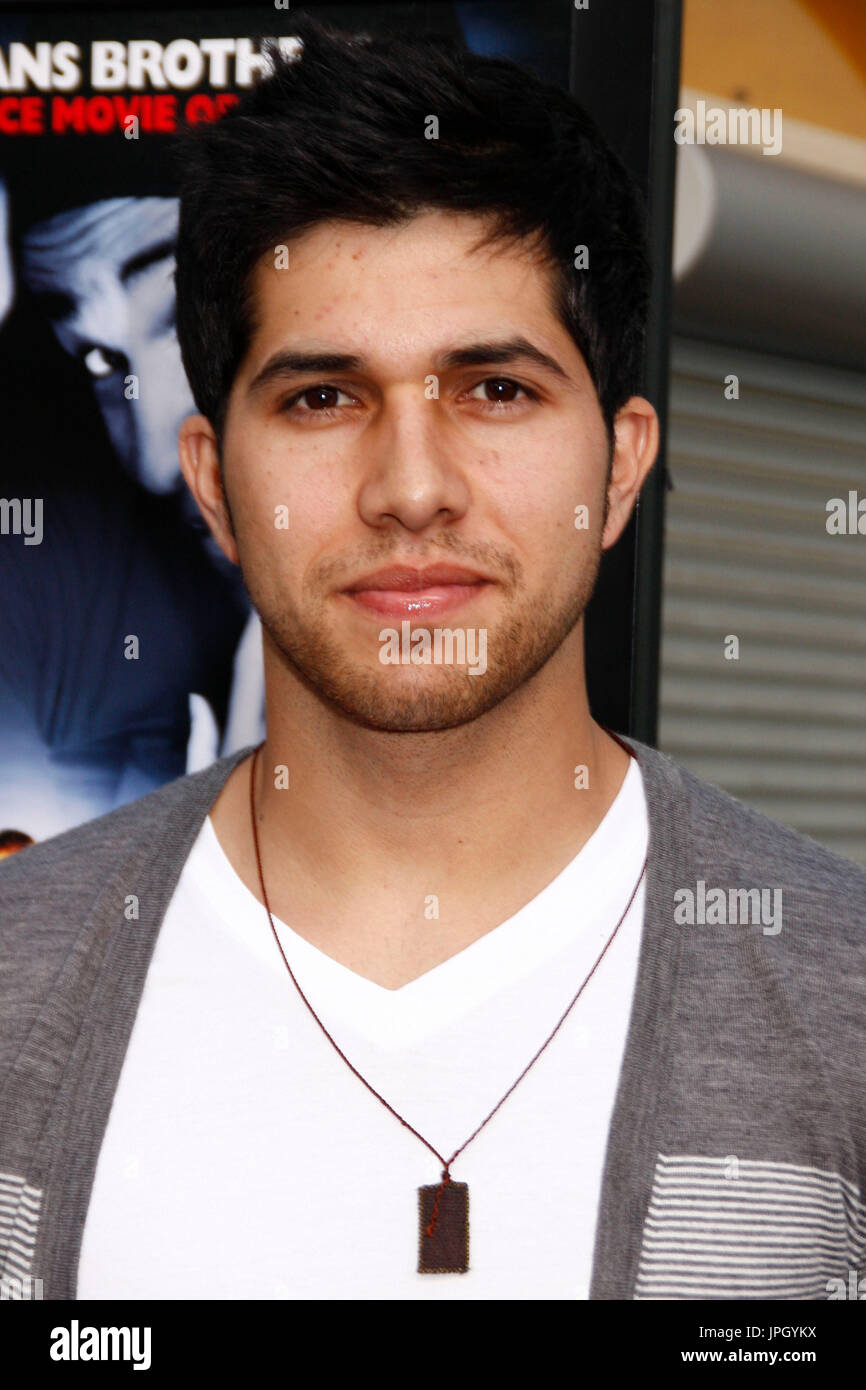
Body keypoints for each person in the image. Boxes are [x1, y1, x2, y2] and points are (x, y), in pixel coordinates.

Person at [1, 14, 864, 1302]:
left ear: (622, 468)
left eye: (495, 389)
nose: (411, 489)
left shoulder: (841, 997)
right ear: (217, 486)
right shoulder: (17, 983)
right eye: (321, 398)